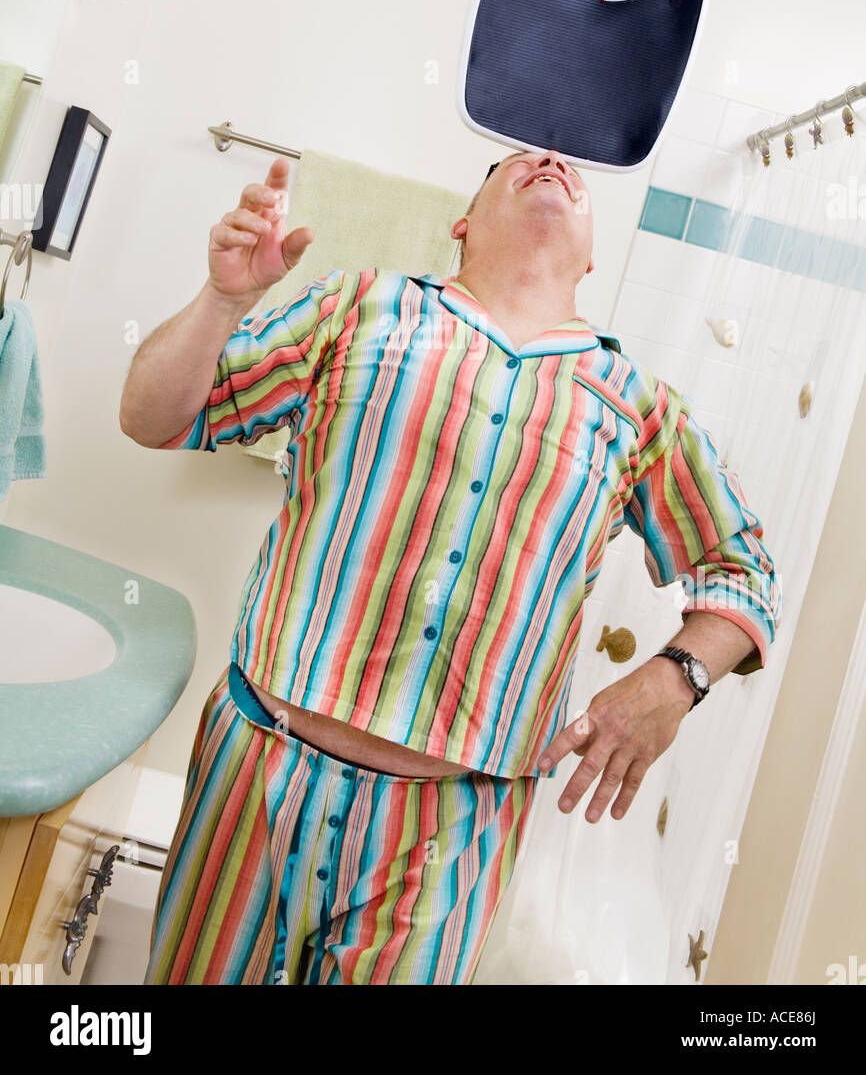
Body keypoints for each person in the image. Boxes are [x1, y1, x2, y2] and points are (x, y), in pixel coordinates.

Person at [121, 148, 780, 985]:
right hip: (254, 771)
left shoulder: (643, 411)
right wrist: (225, 298)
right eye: (517, 162)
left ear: (590, 258)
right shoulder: (357, 306)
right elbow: (151, 416)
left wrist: (677, 677)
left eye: (572, 173)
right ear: (461, 225)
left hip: (450, 837)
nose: (551, 160)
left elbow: (745, 572)